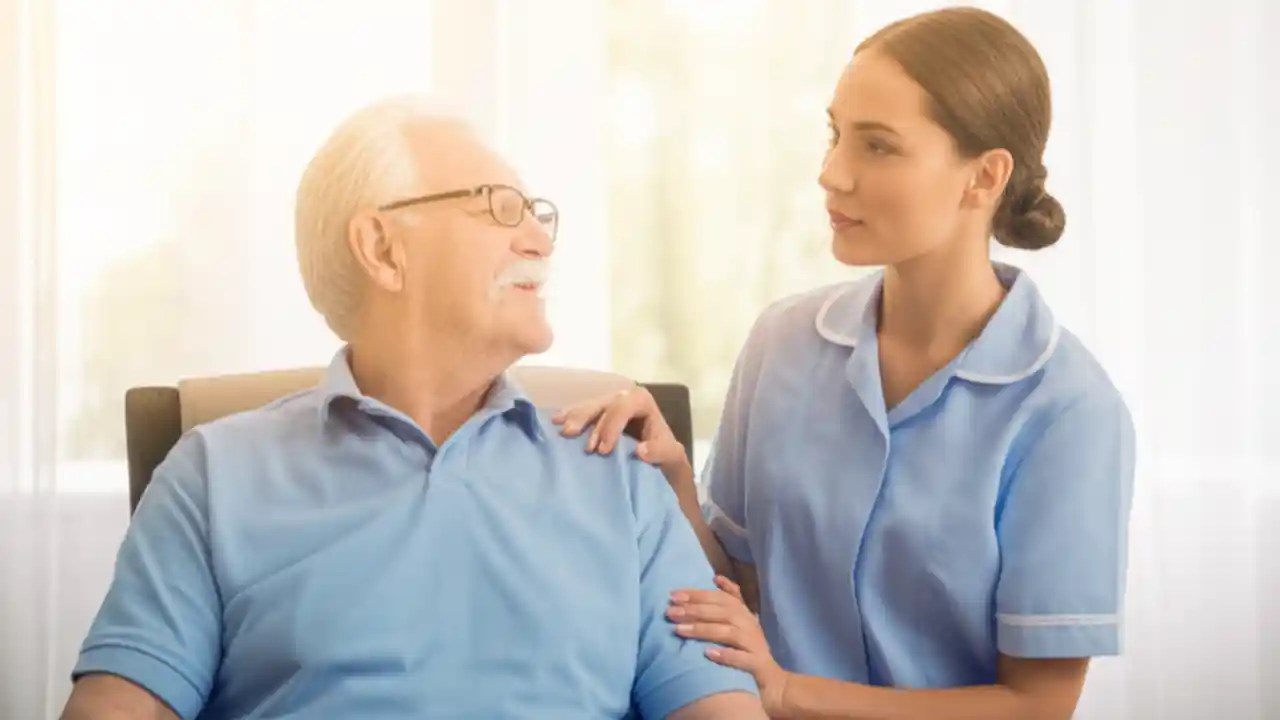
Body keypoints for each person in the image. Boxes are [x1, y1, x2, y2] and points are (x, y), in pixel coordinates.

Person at [61, 97, 765, 720]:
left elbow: (717, 707)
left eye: (539, 215)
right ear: (381, 248)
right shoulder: (212, 473)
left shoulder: (621, 475)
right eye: (500, 206)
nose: (540, 242)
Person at [556, 7, 1135, 719]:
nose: (833, 175)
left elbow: (1035, 706)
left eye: (878, 147)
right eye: (835, 136)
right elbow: (742, 585)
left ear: (983, 177)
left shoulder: (1067, 410)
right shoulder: (783, 342)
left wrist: (789, 691)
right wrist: (672, 474)